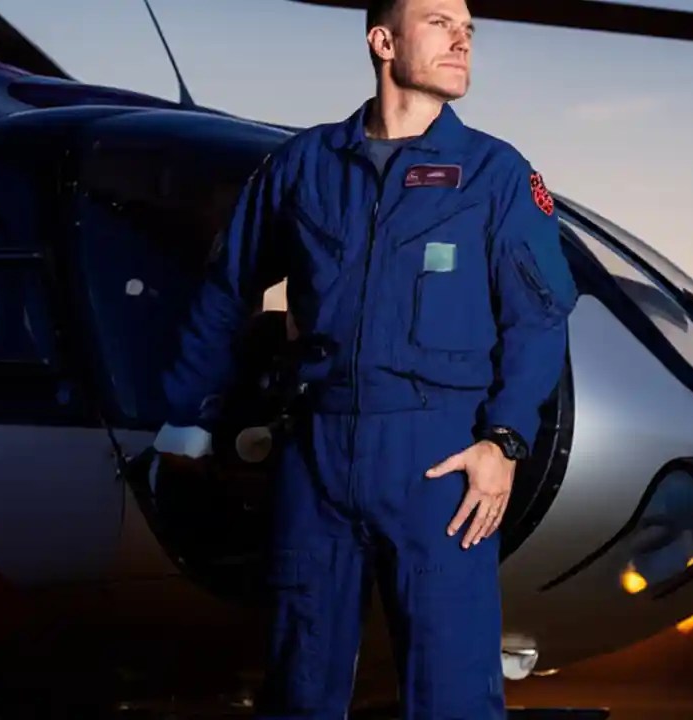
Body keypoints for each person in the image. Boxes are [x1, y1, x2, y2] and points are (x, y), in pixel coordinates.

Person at [154, 0, 578, 716]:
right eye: (440, 22)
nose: (462, 39)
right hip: (315, 451)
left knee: (451, 695)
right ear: (383, 41)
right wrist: (184, 416)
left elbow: (539, 320)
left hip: (437, 458)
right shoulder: (304, 165)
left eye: (468, 29)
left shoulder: (495, 175)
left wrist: (504, 441)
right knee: (299, 686)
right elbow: (228, 289)